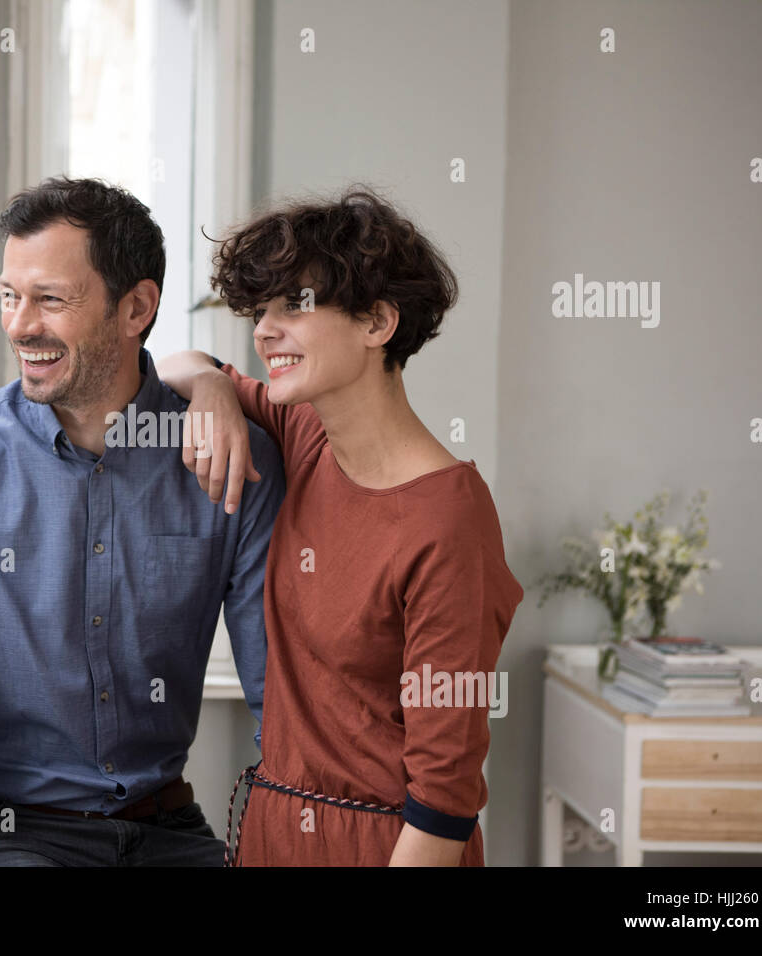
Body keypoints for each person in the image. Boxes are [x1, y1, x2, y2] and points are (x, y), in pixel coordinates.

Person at [0, 177, 285, 866]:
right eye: (10, 296)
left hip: (167, 830)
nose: (18, 325)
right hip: (14, 834)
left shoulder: (230, 461)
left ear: (136, 308)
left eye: (50, 300)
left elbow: (278, 699)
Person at [157, 186, 524, 866]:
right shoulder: (306, 433)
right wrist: (212, 391)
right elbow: (177, 367)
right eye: (259, 311)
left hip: (387, 849)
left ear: (377, 323)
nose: (264, 330)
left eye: (292, 306)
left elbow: (444, 804)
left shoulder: (450, 522)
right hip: (275, 828)